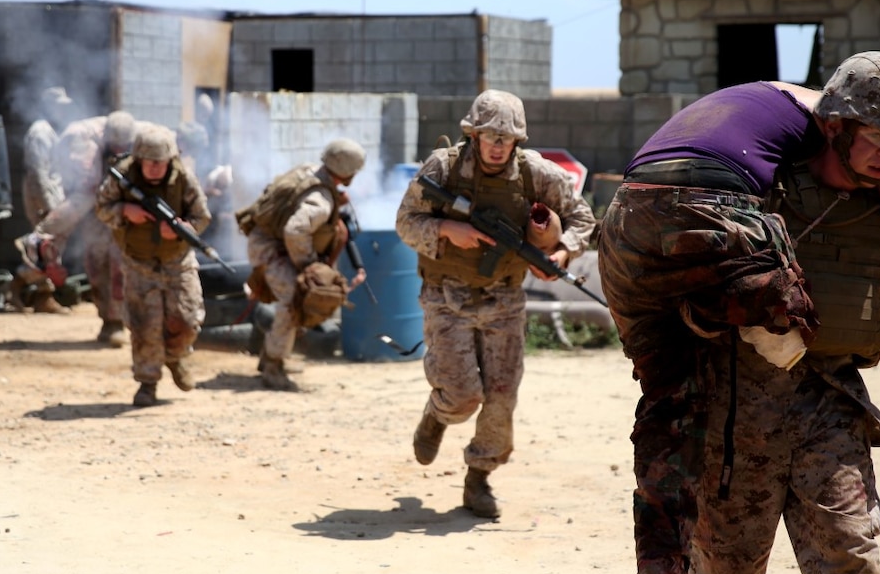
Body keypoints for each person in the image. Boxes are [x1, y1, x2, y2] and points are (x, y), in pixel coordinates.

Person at [598, 51, 880, 574]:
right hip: (736, 418)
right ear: (836, 126)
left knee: (854, 573)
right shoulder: (759, 186)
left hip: (831, 412)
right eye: (877, 138)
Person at [395, 89, 596, 519]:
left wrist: (562, 251)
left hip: (504, 295)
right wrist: (448, 228)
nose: (497, 146)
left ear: (517, 141)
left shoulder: (534, 173)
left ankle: (478, 478)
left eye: (506, 139)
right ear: (474, 133)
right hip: (447, 293)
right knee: (464, 396)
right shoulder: (444, 168)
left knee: (502, 395)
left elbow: (583, 217)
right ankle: (437, 414)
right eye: (490, 136)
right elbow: (405, 222)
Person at [237, 138, 368, 391]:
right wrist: (309, 268)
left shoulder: (311, 172)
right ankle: (274, 365)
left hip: (270, 242)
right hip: (271, 249)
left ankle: (268, 357)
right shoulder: (321, 201)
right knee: (294, 302)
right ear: (347, 170)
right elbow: (296, 230)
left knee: (294, 299)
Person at [94, 125, 211, 407]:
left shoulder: (183, 178)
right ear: (138, 160)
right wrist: (124, 211)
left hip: (177, 261)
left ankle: (176, 358)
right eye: (149, 163)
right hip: (139, 262)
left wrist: (185, 228)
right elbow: (101, 208)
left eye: (160, 163)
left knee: (186, 320)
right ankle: (148, 384)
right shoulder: (122, 177)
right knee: (144, 325)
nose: (154, 168)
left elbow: (202, 216)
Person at [27, 110, 138, 346]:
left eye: (123, 147)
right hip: (93, 209)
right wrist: (48, 229)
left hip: (125, 212)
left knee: (120, 268)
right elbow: (81, 191)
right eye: (114, 146)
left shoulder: (143, 140)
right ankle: (107, 321)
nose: (118, 152)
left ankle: (118, 321)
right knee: (97, 264)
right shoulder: (81, 139)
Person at [10, 86, 76, 314]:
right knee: (45, 249)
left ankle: (43, 298)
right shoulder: (40, 132)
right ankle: (13, 286)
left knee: (50, 251)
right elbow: (37, 172)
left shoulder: (50, 131)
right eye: (59, 106)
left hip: (52, 197)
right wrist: (48, 206)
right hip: (42, 199)